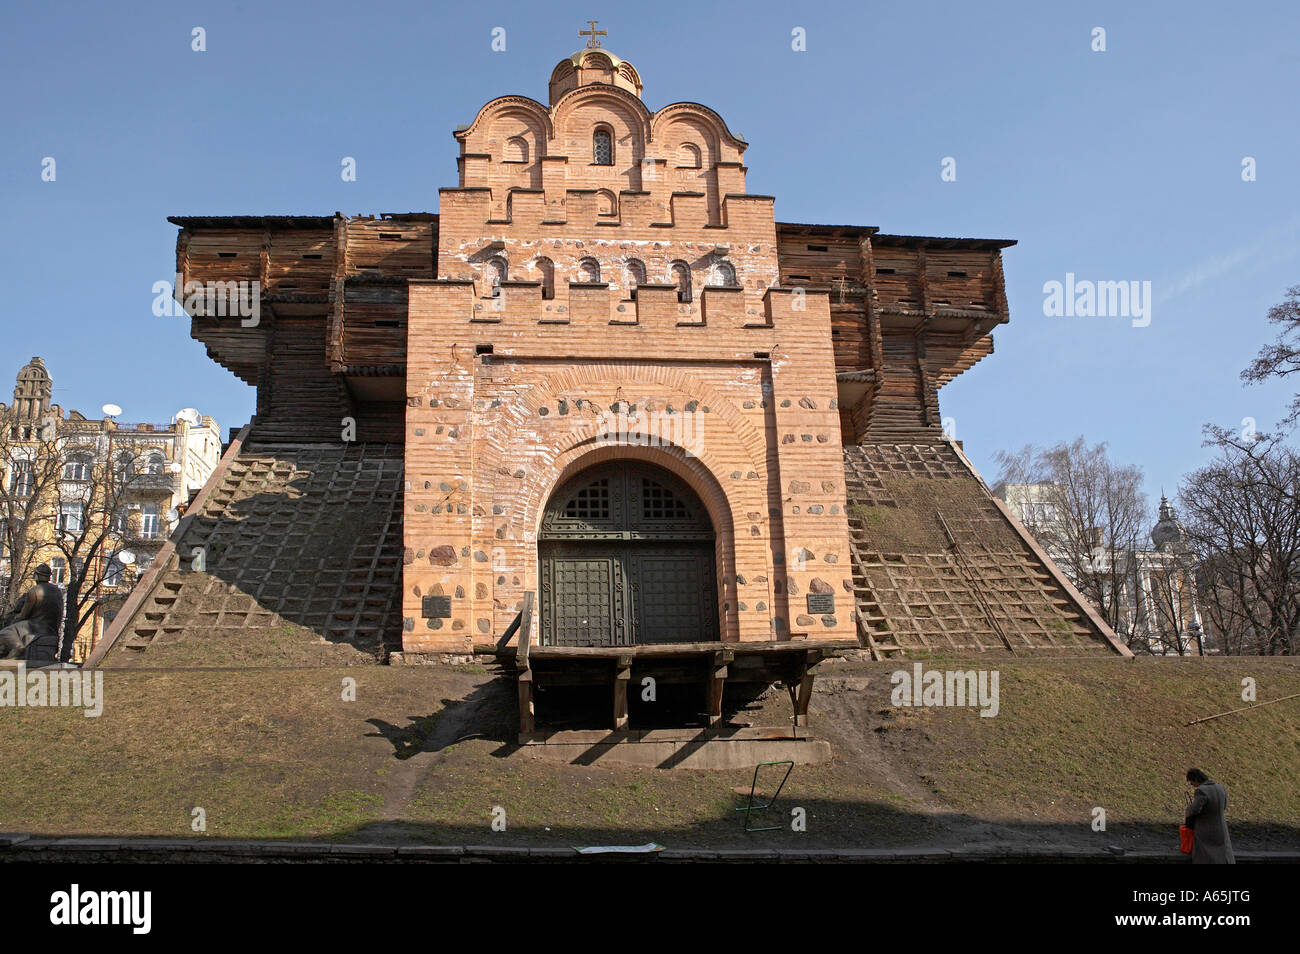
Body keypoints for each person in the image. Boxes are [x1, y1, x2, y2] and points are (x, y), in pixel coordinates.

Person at [0, 564, 66, 666]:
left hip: (35, 627)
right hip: (52, 628)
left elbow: (24, 615)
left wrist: (15, 617)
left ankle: (17, 647)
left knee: (5, 632)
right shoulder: (57, 591)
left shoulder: (35, 591)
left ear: (36, 576)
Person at [1185, 768, 1235, 864]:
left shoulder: (1201, 791)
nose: (1193, 786)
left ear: (1196, 779)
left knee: (1207, 856)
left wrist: (1188, 810)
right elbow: (1224, 806)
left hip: (1207, 831)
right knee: (1223, 855)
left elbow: (1194, 809)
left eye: (1192, 783)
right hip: (1222, 828)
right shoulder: (1220, 788)